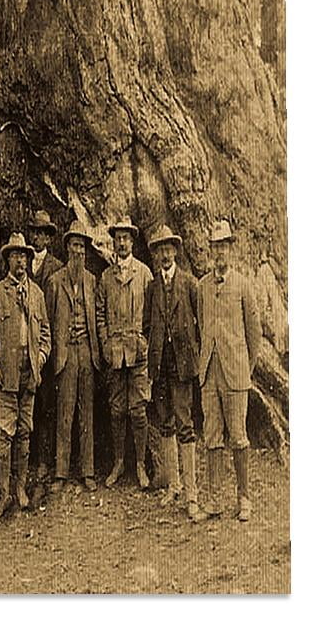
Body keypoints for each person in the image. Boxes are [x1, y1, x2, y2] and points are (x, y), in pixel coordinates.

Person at [197, 219, 262, 521]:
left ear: (231, 249)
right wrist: (206, 365)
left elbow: (254, 334)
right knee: (211, 437)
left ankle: (244, 498)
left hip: (236, 374)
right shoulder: (202, 286)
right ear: (210, 250)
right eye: (215, 246)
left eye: (224, 245)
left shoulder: (243, 285)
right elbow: (201, 327)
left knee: (238, 437)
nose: (220, 251)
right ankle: (213, 500)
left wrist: (244, 368)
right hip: (210, 372)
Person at [0, 233, 52, 520]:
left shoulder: (36, 294)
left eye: (24, 256)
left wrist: (40, 358)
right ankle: (4, 493)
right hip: (5, 375)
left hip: (29, 373)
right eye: (15, 256)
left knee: (25, 432)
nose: (20, 261)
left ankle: (21, 488)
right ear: (7, 260)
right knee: (5, 434)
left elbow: (45, 333)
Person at [146, 223, 202, 519]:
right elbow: (147, 325)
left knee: (185, 423)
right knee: (165, 423)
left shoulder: (189, 283)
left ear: (176, 251)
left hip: (182, 364)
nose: (165, 254)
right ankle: (174, 485)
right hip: (161, 364)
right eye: (160, 249)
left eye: (169, 248)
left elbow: (201, 326)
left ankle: (192, 494)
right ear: (155, 254)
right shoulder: (152, 287)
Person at [96, 216, 154, 488]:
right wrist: (105, 341)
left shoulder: (144, 274)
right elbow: (99, 314)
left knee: (138, 410)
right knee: (117, 410)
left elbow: (153, 313)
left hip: (138, 352)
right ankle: (119, 461)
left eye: (126, 238)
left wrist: (144, 341)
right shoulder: (106, 277)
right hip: (115, 353)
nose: (121, 242)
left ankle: (141, 464)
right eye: (118, 238)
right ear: (113, 241)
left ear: (132, 241)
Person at [45, 221, 101, 492]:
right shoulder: (54, 281)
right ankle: (61, 472)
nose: (79, 251)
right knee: (64, 412)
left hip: (87, 351)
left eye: (83, 246)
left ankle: (88, 471)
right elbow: (47, 319)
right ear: (67, 247)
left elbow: (98, 317)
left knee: (86, 412)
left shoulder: (92, 281)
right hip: (66, 352)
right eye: (75, 245)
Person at [27, 210, 63, 488]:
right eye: (34, 232)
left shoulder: (56, 268)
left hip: (47, 347)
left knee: (48, 406)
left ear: (49, 237)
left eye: (42, 233)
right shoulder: (22, 264)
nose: (37, 237)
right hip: (25, 348)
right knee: (28, 404)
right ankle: (29, 457)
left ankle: (45, 461)